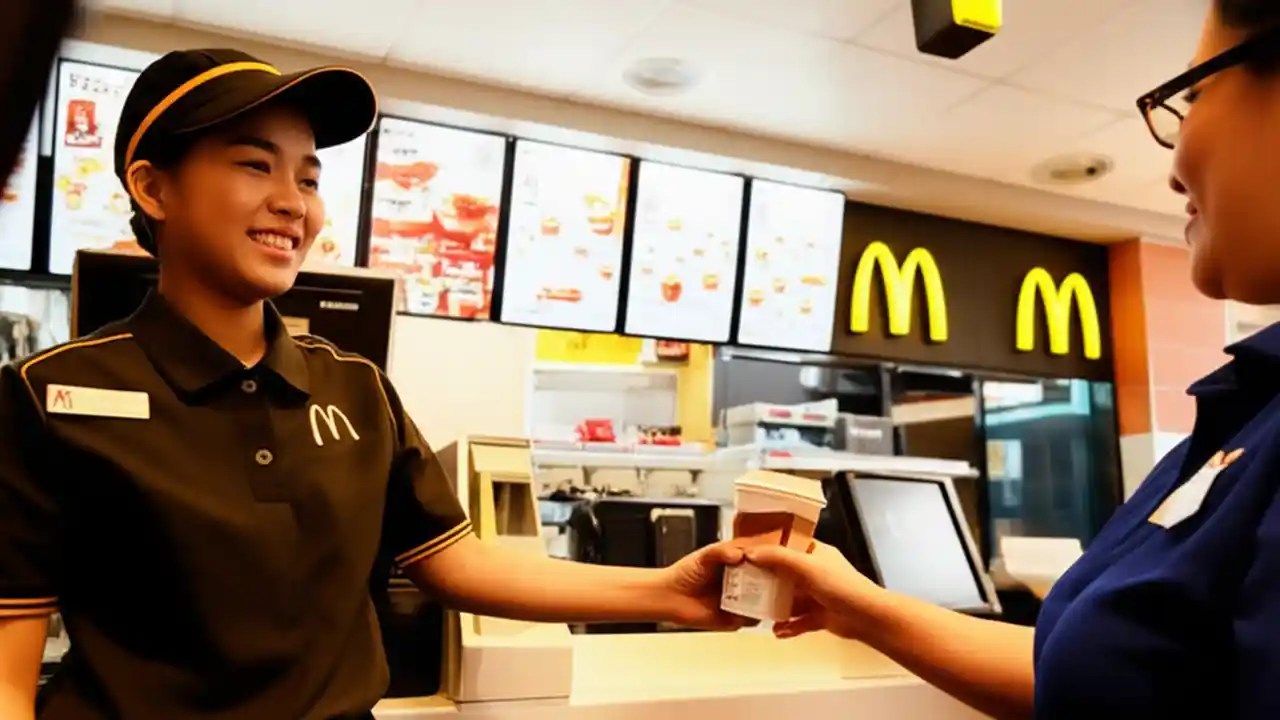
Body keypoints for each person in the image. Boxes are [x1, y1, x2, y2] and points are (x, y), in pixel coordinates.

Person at [0, 49, 747, 720]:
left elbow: (457, 563)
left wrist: (668, 592)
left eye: (309, 178)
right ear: (153, 188)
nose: (294, 202)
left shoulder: (356, 389)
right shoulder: (45, 395)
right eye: (255, 165)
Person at [739, 5, 1280, 719]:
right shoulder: (1247, 409)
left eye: (1195, 94)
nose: (1174, 164)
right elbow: (1098, 675)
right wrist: (861, 607)